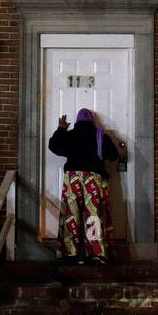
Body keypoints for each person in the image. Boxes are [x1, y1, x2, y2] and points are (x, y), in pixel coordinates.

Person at [48, 108, 122, 264]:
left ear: (77, 121)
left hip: (73, 178)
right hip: (93, 178)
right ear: (92, 121)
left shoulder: (70, 135)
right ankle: (96, 253)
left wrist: (61, 129)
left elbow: (54, 146)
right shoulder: (100, 135)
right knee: (93, 215)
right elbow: (114, 155)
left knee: (71, 215)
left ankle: (71, 253)